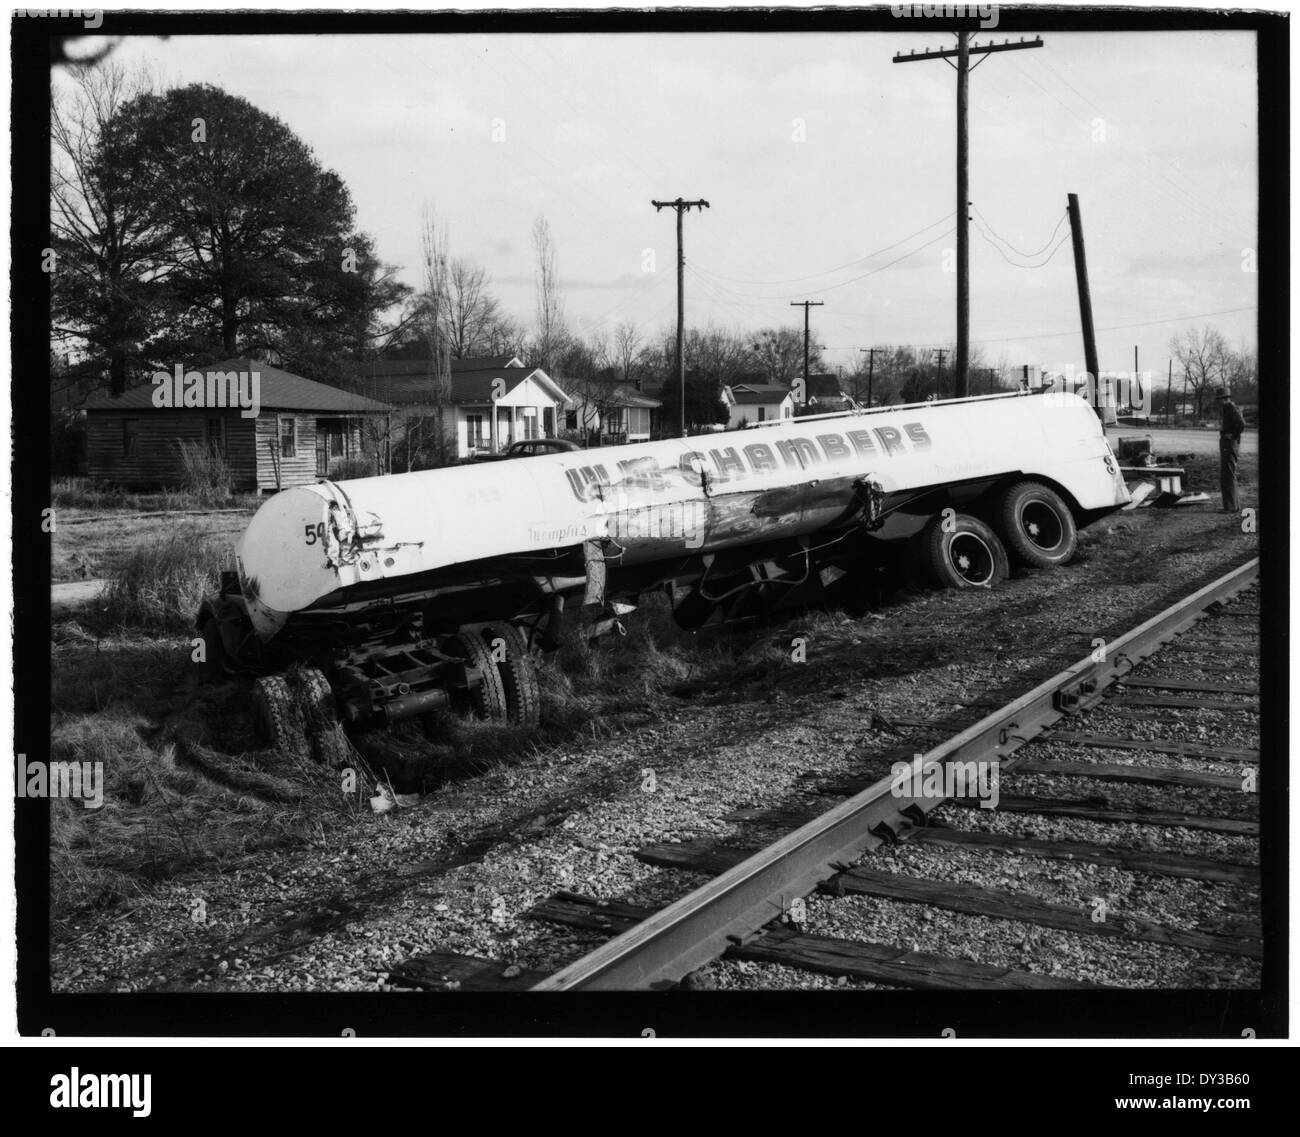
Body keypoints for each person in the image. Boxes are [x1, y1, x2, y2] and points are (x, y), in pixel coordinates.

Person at [1216, 387, 1245, 512]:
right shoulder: (1227, 409)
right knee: (1227, 474)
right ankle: (1233, 505)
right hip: (1227, 443)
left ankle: (1231, 507)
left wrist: (1233, 435)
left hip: (1229, 443)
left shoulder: (1232, 408)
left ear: (1225, 398)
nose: (1218, 402)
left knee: (1228, 474)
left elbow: (1241, 424)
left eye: (1220, 399)